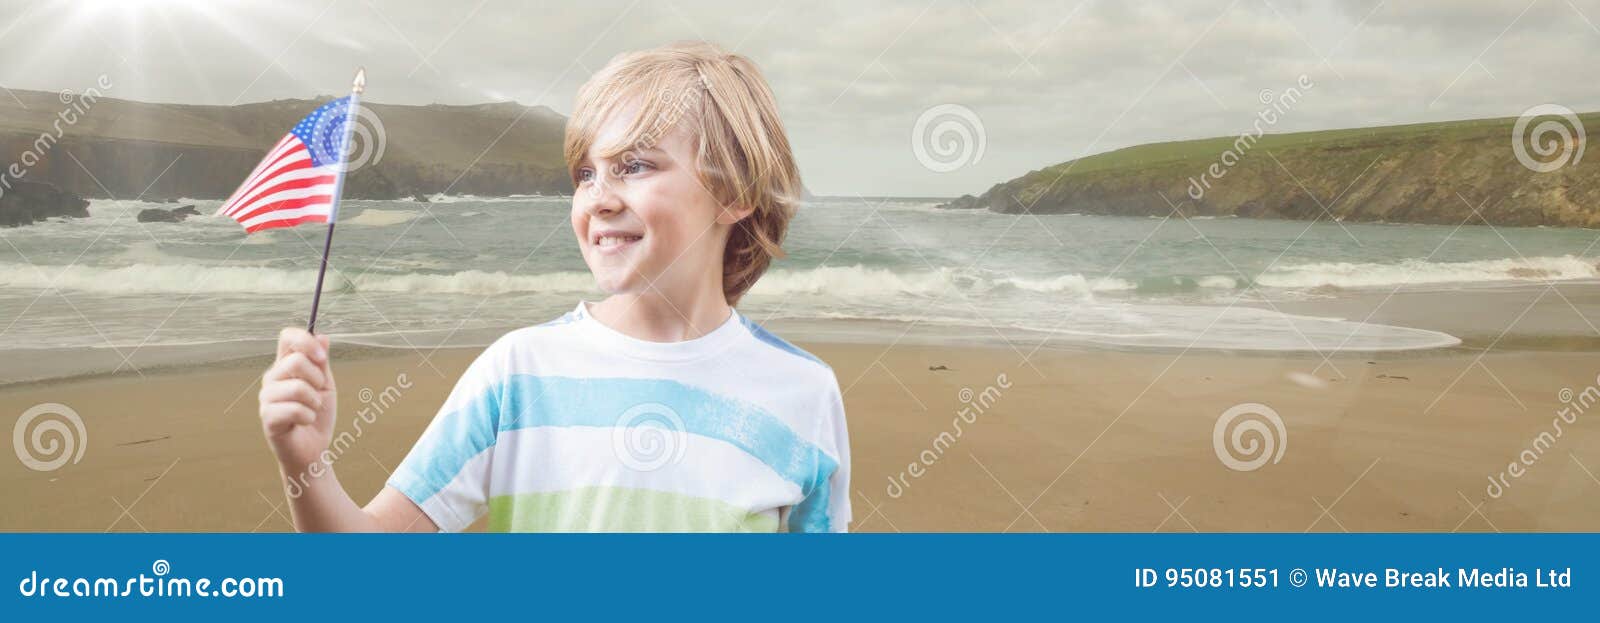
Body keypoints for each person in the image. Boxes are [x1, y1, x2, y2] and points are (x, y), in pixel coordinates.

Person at [256, 41, 850, 532]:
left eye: (635, 166)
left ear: (734, 193)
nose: (600, 197)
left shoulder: (802, 392)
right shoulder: (518, 373)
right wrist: (306, 463)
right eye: (585, 173)